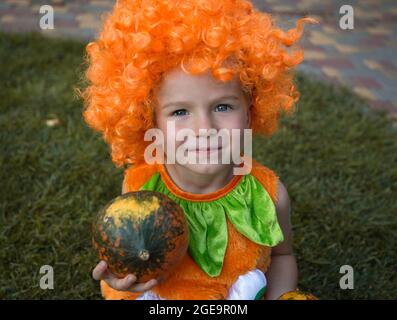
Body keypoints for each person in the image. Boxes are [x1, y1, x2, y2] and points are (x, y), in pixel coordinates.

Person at [82, 0, 317, 300]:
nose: (204, 128)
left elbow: (282, 257)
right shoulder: (140, 191)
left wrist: (282, 295)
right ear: (149, 121)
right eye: (180, 112)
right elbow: (129, 263)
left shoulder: (270, 196)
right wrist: (122, 280)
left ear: (249, 111)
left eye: (222, 106)